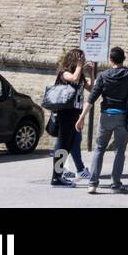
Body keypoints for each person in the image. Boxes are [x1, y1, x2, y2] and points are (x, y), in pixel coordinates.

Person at [76, 46, 128, 194]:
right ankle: (116, 185)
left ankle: (92, 184)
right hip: (123, 117)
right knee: (119, 151)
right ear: (123, 59)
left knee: (99, 149)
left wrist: (81, 117)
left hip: (105, 116)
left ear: (110, 59)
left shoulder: (103, 76)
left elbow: (91, 99)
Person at [50, 49, 90, 187]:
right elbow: (73, 79)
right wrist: (79, 67)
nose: (83, 60)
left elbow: (91, 88)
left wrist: (91, 72)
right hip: (65, 113)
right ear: (74, 59)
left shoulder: (80, 74)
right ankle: (56, 177)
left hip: (75, 114)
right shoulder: (64, 72)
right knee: (62, 144)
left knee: (68, 145)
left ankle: (59, 175)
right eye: (81, 58)